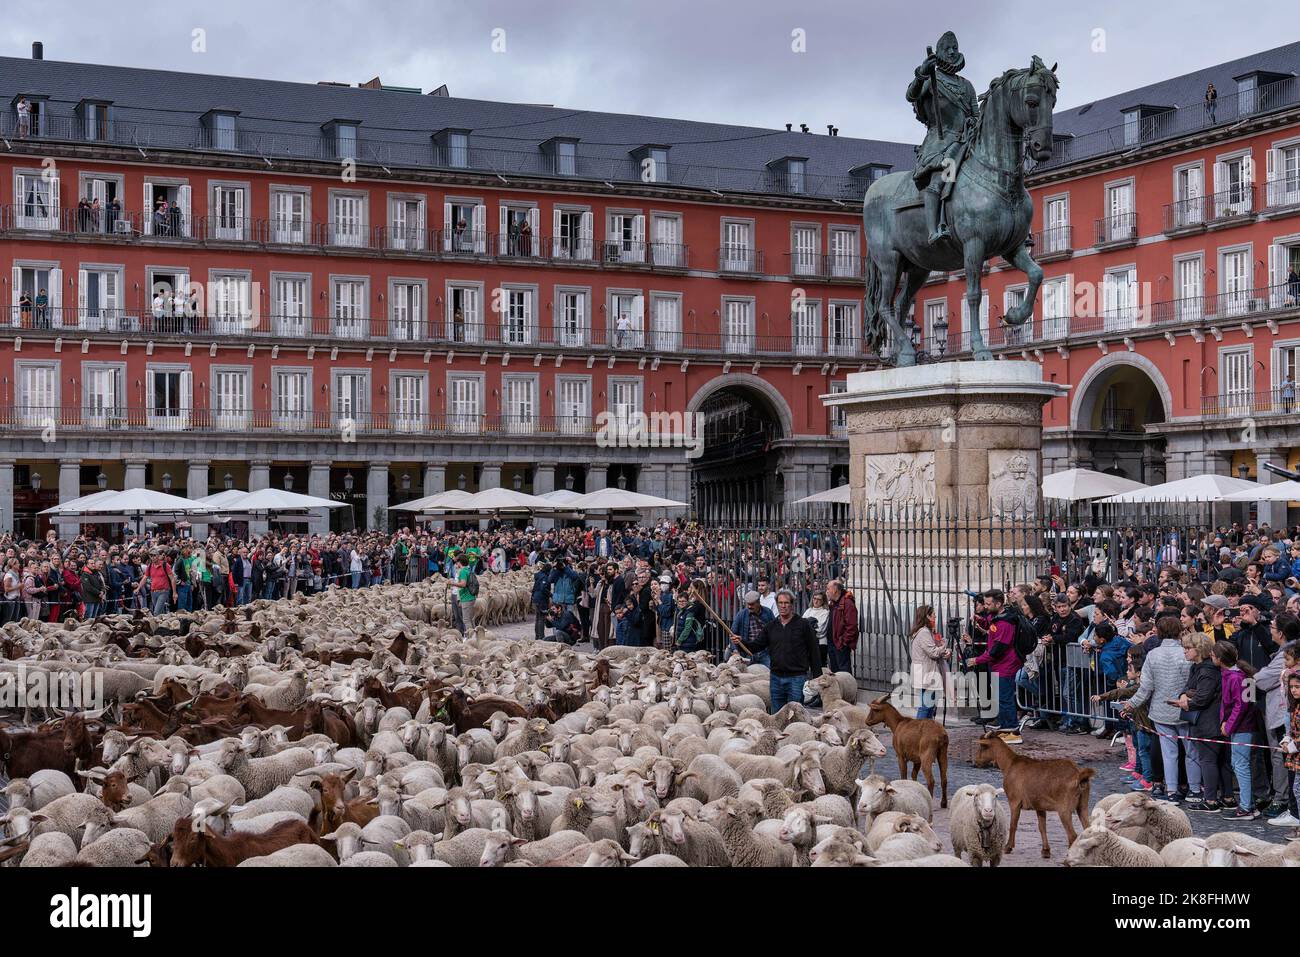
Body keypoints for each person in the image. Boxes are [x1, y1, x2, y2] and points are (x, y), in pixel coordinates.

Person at [736, 589, 819, 714]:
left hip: (796, 678)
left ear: (792, 605)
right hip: (776, 678)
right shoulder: (771, 626)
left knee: (795, 715)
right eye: (780, 603)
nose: (783, 606)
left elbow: (813, 650)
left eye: (786, 603)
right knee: (777, 716)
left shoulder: (803, 625)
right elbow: (756, 646)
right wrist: (741, 642)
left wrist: (817, 676)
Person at [965, 589, 1023, 743]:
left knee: (1005, 699)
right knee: (1000, 698)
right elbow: (990, 626)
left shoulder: (1005, 623)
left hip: (1005, 665)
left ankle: (1013, 731)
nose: (985, 606)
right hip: (997, 665)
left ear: (998, 604)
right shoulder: (995, 617)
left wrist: (977, 660)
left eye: (988, 604)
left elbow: (997, 650)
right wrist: (980, 620)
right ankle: (1005, 728)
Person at [1177, 632, 1223, 811]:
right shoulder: (1196, 667)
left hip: (1208, 720)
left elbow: (1203, 697)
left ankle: (1211, 800)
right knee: (1212, 760)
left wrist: (1187, 700)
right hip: (1203, 719)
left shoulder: (1207, 670)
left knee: (1208, 760)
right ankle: (1225, 797)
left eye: (1188, 648)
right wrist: (1185, 694)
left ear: (1199, 649)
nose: (1185, 651)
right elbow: (1189, 687)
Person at [1214, 640, 1259, 820]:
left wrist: (1228, 725)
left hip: (1242, 727)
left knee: (1241, 765)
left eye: (1213, 655)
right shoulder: (1240, 674)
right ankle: (1249, 804)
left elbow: (1241, 706)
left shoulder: (1234, 677)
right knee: (1240, 764)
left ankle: (1246, 807)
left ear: (1219, 659)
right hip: (1244, 725)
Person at [909, 604, 949, 720]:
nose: (935, 617)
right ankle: (919, 728)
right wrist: (944, 645)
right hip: (926, 673)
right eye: (933, 615)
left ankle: (927, 728)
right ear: (927, 616)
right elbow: (934, 653)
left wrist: (941, 647)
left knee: (929, 705)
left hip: (925, 672)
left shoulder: (925, 631)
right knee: (926, 706)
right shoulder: (924, 632)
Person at [729, 590, 774, 666]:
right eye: (748, 604)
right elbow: (733, 634)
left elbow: (774, 630)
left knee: (769, 671)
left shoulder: (768, 612)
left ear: (758, 602)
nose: (749, 607)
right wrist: (735, 650)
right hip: (748, 652)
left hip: (765, 652)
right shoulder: (741, 615)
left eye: (752, 604)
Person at [825, 579, 859, 675]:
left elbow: (852, 626)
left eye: (828, 589)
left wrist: (843, 642)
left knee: (844, 672)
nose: (827, 591)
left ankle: (846, 686)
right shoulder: (834, 602)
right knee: (835, 671)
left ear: (835, 590)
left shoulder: (847, 603)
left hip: (840, 643)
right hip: (833, 642)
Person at [802, 590, 830, 668]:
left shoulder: (825, 612)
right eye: (814, 598)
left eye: (819, 599)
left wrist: (807, 626)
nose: (816, 601)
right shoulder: (808, 610)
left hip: (820, 644)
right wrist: (812, 625)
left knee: (820, 668)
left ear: (823, 601)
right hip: (808, 644)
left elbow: (820, 630)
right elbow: (801, 626)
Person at [455, 553, 476, 635]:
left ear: (460, 562)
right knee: (470, 619)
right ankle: (474, 636)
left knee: (466, 620)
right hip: (471, 597)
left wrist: (452, 583)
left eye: (457, 562)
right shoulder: (468, 570)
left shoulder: (463, 571)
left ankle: (470, 637)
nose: (456, 564)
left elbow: (463, 584)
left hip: (466, 598)